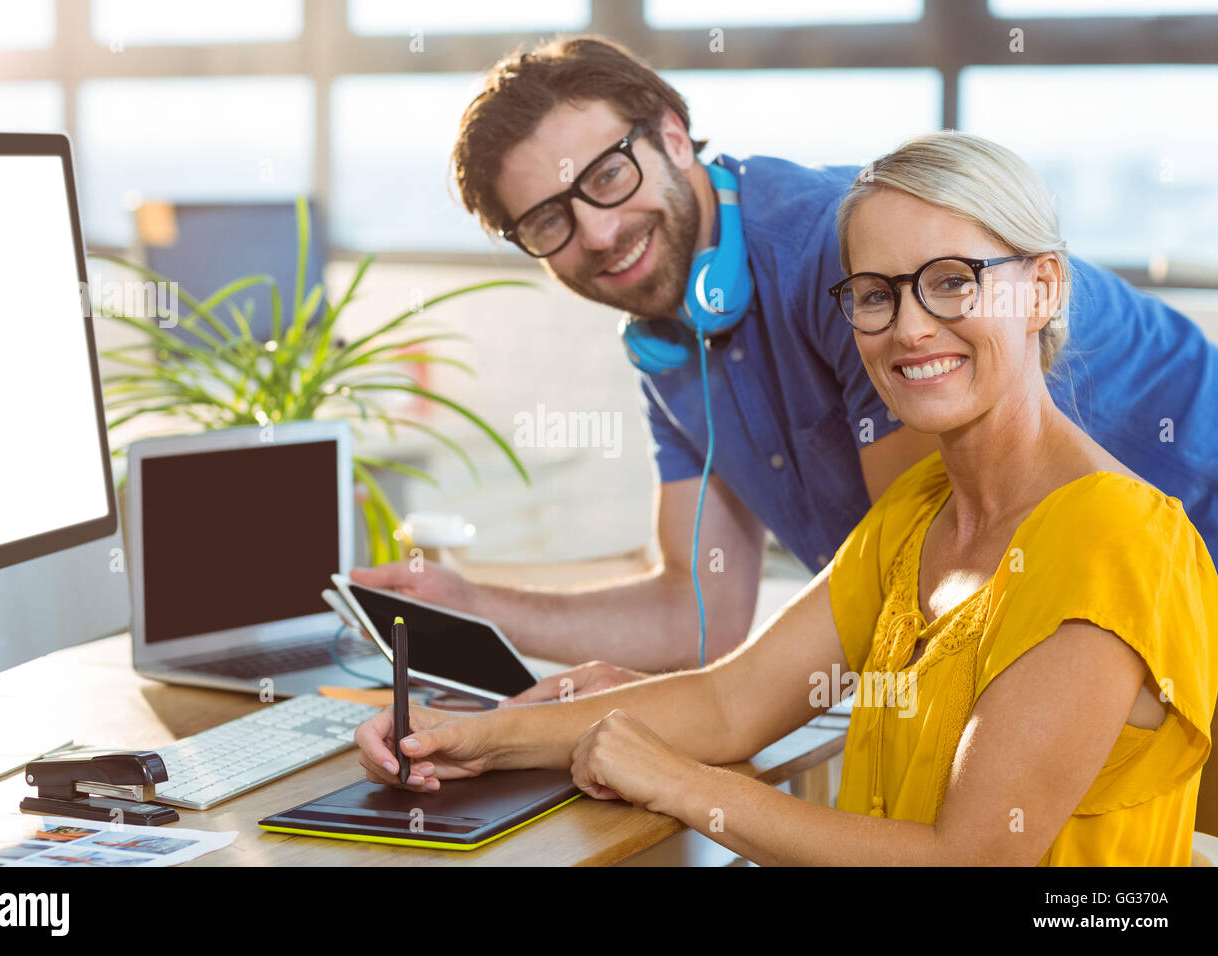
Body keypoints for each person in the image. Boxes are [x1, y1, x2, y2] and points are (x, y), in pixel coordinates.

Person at [352, 130, 1218, 866]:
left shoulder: (1111, 540)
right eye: (876, 296)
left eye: (954, 280)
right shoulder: (919, 511)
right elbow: (732, 702)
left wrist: (685, 785)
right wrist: (468, 737)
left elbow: (969, 860)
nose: (911, 327)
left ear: (1044, 289)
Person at [351, 35, 1218, 694]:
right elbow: (698, 613)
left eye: (608, 176)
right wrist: (473, 604)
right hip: (1079, 626)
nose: (597, 233)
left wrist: (659, 711)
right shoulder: (672, 336)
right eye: (547, 222)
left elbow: (915, 582)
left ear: (674, 137)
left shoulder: (846, 258)